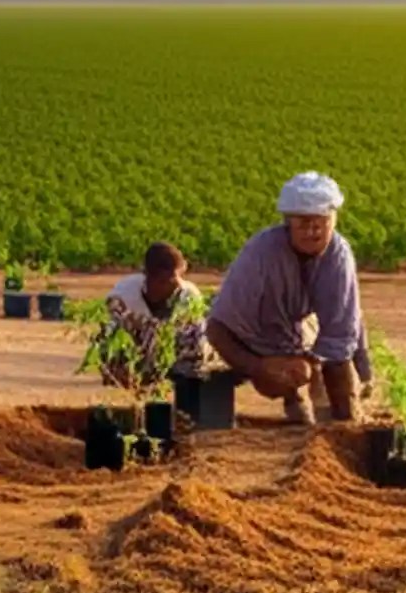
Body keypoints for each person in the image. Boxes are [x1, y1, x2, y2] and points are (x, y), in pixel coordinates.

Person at [205, 172, 372, 425]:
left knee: (338, 381)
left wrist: (339, 379)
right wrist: (258, 367)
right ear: (288, 223)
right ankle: (298, 411)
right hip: (254, 334)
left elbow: (342, 330)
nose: (313, 231)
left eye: (321, 223)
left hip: (302, 326)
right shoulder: (261, 254)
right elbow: (218, 327)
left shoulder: (338, 254)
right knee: (285, 377)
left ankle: (341, 429)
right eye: (304, 224)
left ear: (334, 220)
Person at [97, 242, 212, 387]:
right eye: (165, 280)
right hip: (136, 355)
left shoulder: (188, 296)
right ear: (148, 276)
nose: (174, 284)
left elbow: (195, 343)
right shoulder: (123, 296)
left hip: (173, 359)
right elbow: (106, 337)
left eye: (176, 278)